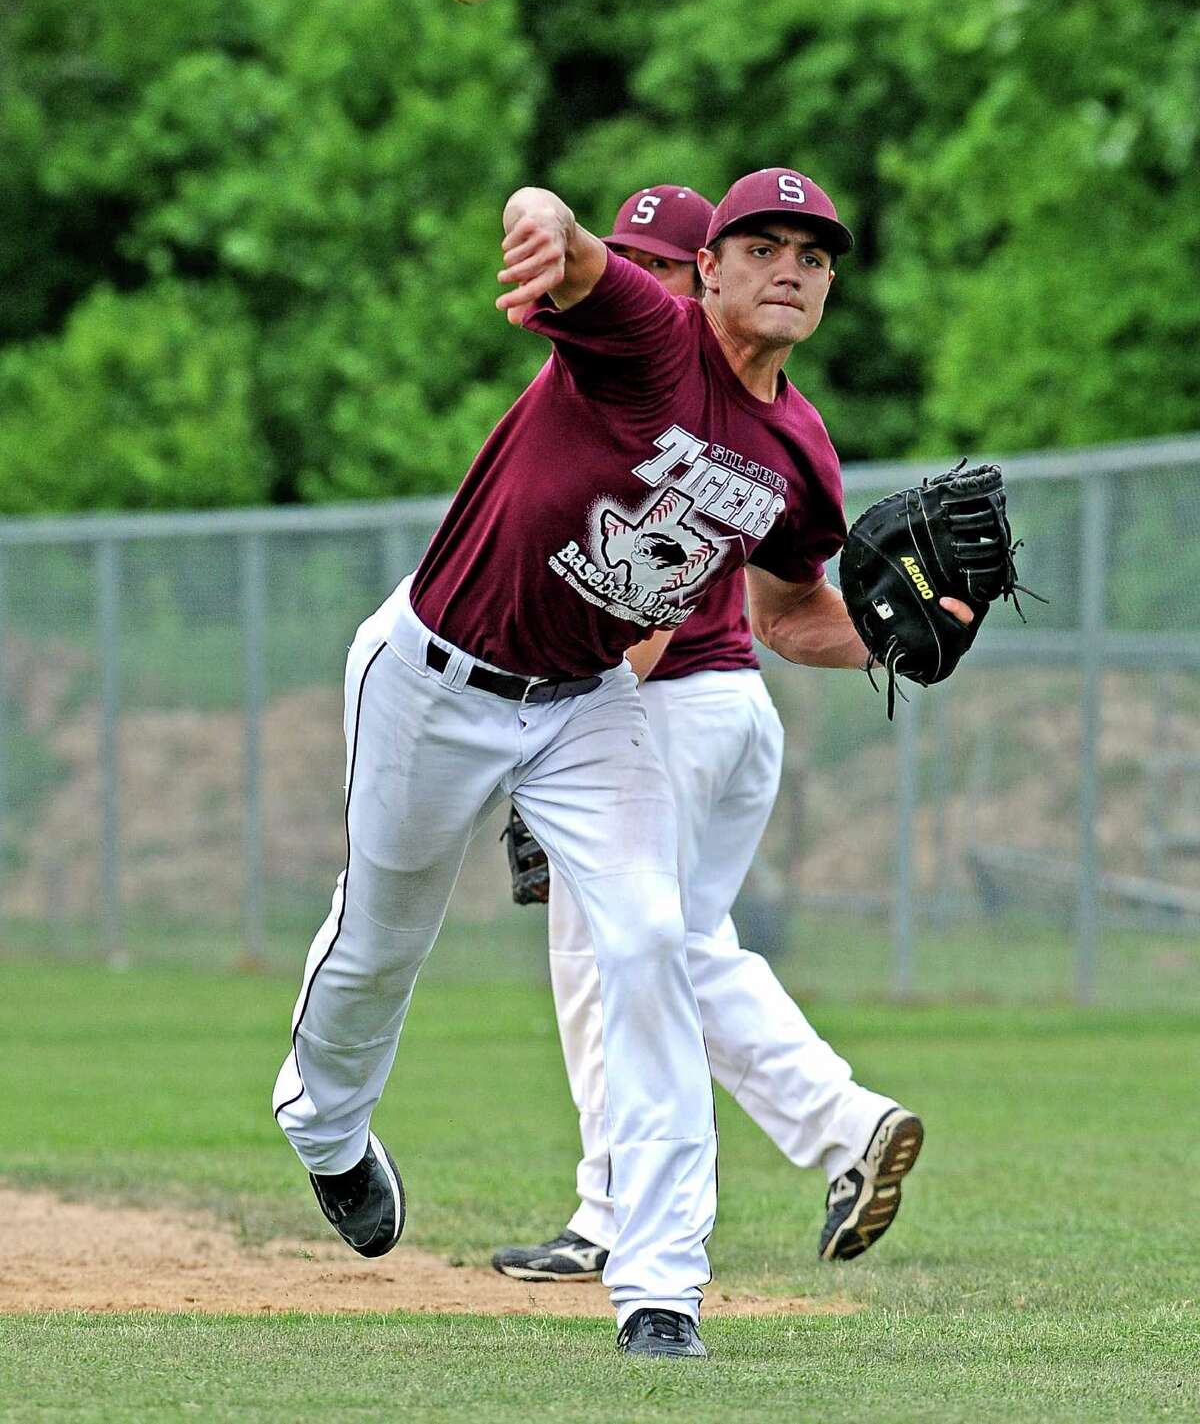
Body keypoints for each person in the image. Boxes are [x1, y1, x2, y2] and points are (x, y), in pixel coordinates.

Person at [271, 167, 975, 1360]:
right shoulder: (656, 342)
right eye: (762, 245)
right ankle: (327, 1130)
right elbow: (576, 248)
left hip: (589, 702)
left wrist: (901, 636)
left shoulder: (801, 453)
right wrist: (541, 215)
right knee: (383, 936)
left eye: (814, 252)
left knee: (651, 942)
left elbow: (790, 607)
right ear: (709, 266)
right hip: (434, 671)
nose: (790, 267)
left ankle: (660, 1285)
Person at [492, 187, 924, 1287]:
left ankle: (618, 1213)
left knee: (618, 961)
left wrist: (554, 730)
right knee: (678, 952)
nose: (647, 276)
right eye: (630, 256)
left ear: (704, 277)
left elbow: (653, 609)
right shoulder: (688, 394)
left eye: (665, 260)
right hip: (725, 710)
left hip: (664, 706)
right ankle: (839, 1129)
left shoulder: (702, 403)